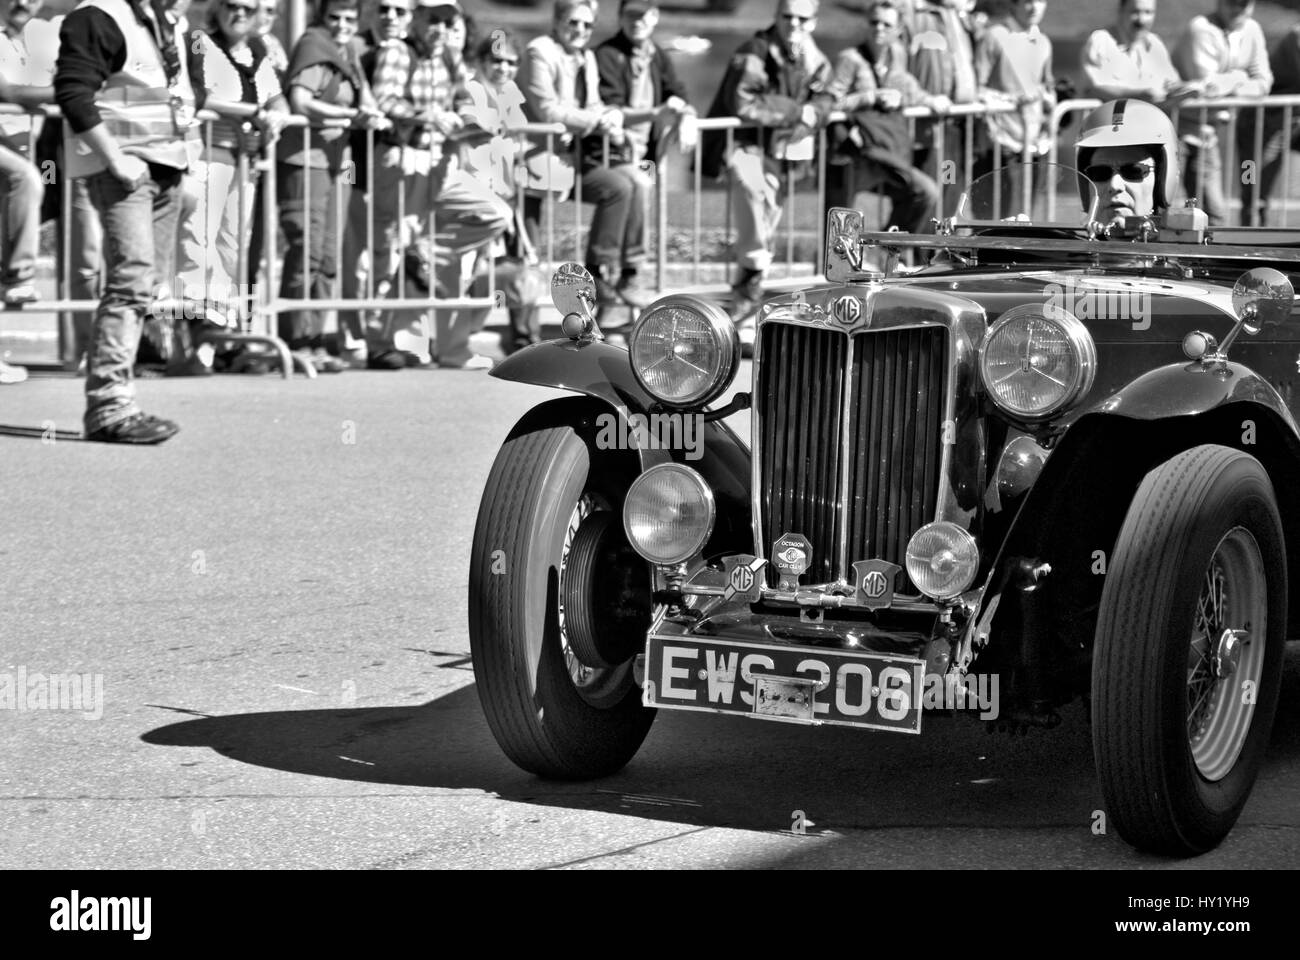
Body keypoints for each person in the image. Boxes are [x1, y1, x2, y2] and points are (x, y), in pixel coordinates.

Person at [55, 0, 204, 442]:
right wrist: (116, 160)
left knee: (144, 283)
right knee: (130, 281)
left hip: (165, 167)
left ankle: (122, 397)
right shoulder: (101, 15)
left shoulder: (166, 21)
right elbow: (73, 92)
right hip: (127, 170)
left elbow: (178, 92)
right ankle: (108, 407)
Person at [365, 0, 509, 370]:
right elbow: (384, 102)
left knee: (493, 214)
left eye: (448, 21)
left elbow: (465, 99)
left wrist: (470, 120)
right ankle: (382, 342)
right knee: (392, 248)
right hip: (404, 157)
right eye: (433, 19)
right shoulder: (398, 51)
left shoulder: (449, 57)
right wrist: (431, 117)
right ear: (417, 19)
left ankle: (427, 255)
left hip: (441, 162)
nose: (440, 28)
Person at [701, 0, 834, 327]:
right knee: (753, 191)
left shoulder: (815, 58)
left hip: (785, 150)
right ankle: (749, 285)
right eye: (787, 16)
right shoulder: (755, 51)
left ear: (813, 21)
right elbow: (744, 102)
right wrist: (796, 111)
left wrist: (815, 111)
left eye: (802, 18)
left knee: (770, 210)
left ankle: (748, 290)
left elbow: (828, 95)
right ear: (775, 16)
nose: (794, 23)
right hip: (744, 143)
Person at [519, 0, 649, 319]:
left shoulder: (586, 57)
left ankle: (603, 273)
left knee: (623, 185)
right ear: (557, 21)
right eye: (573, 22)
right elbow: (546, 109)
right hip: (532, 160)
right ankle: (523, 330)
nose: (580, 30)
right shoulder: (540, 51)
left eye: (587, 25)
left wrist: (609, 115)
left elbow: (592, 103)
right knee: (525, 249)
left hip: (568, 160)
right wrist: (595, 121)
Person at [278, 0, 388, 374]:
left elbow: (366, 101)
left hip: (340, 163)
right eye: (334, 18)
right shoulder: (312, 44)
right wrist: (349, 116)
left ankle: (315, 340)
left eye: (349, 19)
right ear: (321, 19)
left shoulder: (349, 51)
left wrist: (369, 113)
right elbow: (301, 101)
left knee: (327, 258)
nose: (342, 25)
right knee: (305, 249)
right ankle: (294, 339)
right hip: (305, 159)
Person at [179, 0, 289, 313]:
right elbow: (198, 96)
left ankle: (222, 330)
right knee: (198, 244)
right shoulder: (200, 42)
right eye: (232, 5)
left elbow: (277, 98)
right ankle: (191, 329)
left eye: (248, 8)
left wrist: (278, 115)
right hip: (208, 154)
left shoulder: (256, 49)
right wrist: (253, 112)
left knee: (233, 245)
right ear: (217, 8)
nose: (239, 13)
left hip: (245, 161)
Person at [593, 0, 694, 308]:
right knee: (633, 186)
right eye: (631, 15)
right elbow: (611, 109)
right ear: (620, 17)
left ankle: (623, 280)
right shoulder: (607, 55)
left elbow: (677, 92)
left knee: (641, 188)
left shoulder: (657, 55)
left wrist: (687, 116)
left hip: (643, 152)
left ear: (655, 17)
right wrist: (657, 112)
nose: (637, 22)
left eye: (643, 15)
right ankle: (615, 273)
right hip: (609, 149)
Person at [826, 0, 947, 234]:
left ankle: (889, 248)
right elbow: (830, 101)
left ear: (899, 30)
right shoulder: (850, 59)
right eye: (874, 22)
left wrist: (930, 101)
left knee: (925, 192)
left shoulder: (898, 55)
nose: (879, 28)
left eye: (886, 24)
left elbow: (908, 88)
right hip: (854, 151)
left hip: (887, 148)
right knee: (839, 222)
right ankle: (834, 267)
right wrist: (869, 97)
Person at [461, 28, 543, 355]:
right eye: (496, 61)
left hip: (509, 194)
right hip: (477, 193)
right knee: (474, 267)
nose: (503, 68)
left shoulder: (512, 96)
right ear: (481, 61)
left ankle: (526, 338)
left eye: (511, 62)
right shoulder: (472, 91)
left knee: (521, 261)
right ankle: (457, 333)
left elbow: (518, 140)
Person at [1172, 0, 1271, 226]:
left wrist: (1232, 84)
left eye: (1244, 4)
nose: (1239, 9)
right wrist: (1240, 77)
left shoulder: (1252, 29)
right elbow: (1209, 89)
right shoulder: (1200, 28)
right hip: (1176, 129)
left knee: (1216, 213)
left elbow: (1264, 82)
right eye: (1232, 3)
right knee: (1166, 209)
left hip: (1211, 132)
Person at [0, 0, 48, 308]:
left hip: (22, 149)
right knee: (28, 178)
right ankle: (20, 275)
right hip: (13, 159)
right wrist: (72, 92)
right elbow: (9, 92)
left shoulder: (37, 40)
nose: (24, 2)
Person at [907, 0, 979, 202]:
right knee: (927, 195)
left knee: (950, 189)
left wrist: (977, 93)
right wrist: (925, 99)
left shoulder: (960, 17)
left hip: (955, 126)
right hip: (926, 126)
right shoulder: (914, 13)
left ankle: (945, 233)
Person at [974, 0, 1055, 176]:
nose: (1034, 7)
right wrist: (1009, 101)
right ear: (1013, 4)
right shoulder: (994, 35)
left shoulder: (1044, 42)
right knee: (998, 203)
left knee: (1030, 204)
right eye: (1027, 2)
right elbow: (977, 89)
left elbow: (1047, 88)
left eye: (1040, 1)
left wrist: (1049, 104)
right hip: (999, 145)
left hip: (1034, 144)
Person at [1075, 98, 1180, 229]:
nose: (1114, 185)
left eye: (1133, 171)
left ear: (1162, 180)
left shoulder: (1182, 249)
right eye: (1099, 173)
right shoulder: (1069, 246)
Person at [1081, 0, 1182, 103]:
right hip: (1109, 118)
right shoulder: (1101, 41)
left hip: (1149, 117)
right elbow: (1094, 88)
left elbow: (1173, 83)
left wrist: (1179, 89)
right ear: (1121, 11)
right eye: (1135, 12)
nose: (1141, 20)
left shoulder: (1155, 43)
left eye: (1148, 12)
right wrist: (1139, 96)